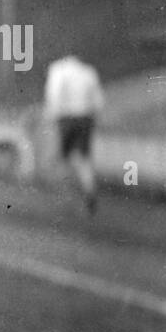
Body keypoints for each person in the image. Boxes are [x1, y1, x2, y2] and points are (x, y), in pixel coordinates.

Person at [43, 53, 105, 214]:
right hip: (85, 118)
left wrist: (52, 115)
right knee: (84, 157)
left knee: (63, 157)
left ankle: (66, 195)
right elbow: (98, 100)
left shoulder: (58, 70)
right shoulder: (88, 71)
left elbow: (54, 94)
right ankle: (89, 191)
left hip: (66, 118)